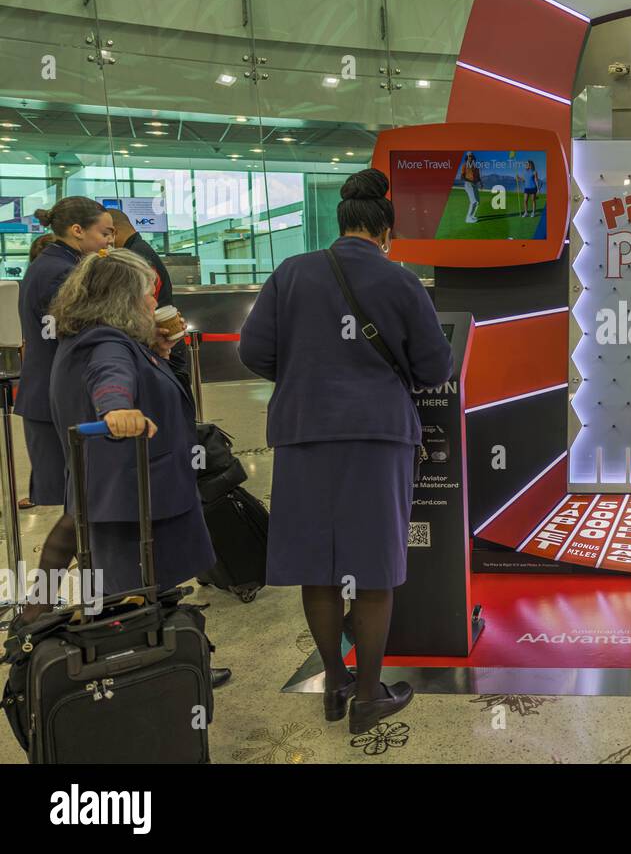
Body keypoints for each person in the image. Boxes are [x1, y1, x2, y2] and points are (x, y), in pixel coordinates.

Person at [238, 168, 453, 734]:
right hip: (377, 436)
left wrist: (309, 373)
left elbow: (254, 352)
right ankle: (367, 697)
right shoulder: (400, 282)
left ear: (339, 224)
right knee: (374, 567)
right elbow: (435, 368)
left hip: (304, 433)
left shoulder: (290, 273)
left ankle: (334, 679)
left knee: (319, 564)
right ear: (386, 233)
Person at [44, 249, 230, 686]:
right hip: (128, 496)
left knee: (147, 589)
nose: (153, 301)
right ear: (123, 297)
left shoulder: (99, 335)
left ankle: (172, 663)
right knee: (128, 599)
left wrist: (158, 355)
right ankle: (146, 679)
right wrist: (117, 411)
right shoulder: (105, 343)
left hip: (123, 490)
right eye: (148, 292)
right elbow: (110, 382)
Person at [11, 199, 114, 611]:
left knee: (84, 507)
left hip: (56, 395)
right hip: (63, 399)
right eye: (104, 232)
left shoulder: (53, 264)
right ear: (77, 231)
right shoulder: (60, 271)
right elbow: (81, 332)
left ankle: (47, 605)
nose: (108, 241)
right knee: (86, 505)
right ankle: (49, 607)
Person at [107, 208, 190, 392]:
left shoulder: (137, 257)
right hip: (162, 343)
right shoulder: (140, 251)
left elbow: (146, 303)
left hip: (162, 343)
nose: (104, 242)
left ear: (115, 232)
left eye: (105, 233)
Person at [460, 152, 483, 225]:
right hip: (468, 185)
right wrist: (471, 180)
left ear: (473, 158)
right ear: (467, 157)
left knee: (478, 202)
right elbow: (462, 177)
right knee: (474, 201)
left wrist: (481, 183)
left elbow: (478, 177)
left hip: (475, 185)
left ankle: (472, 216)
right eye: (469, 156)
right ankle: (468, 218)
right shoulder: (464, 166)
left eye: (471, 156)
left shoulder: (476, 167)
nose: (470, 157)